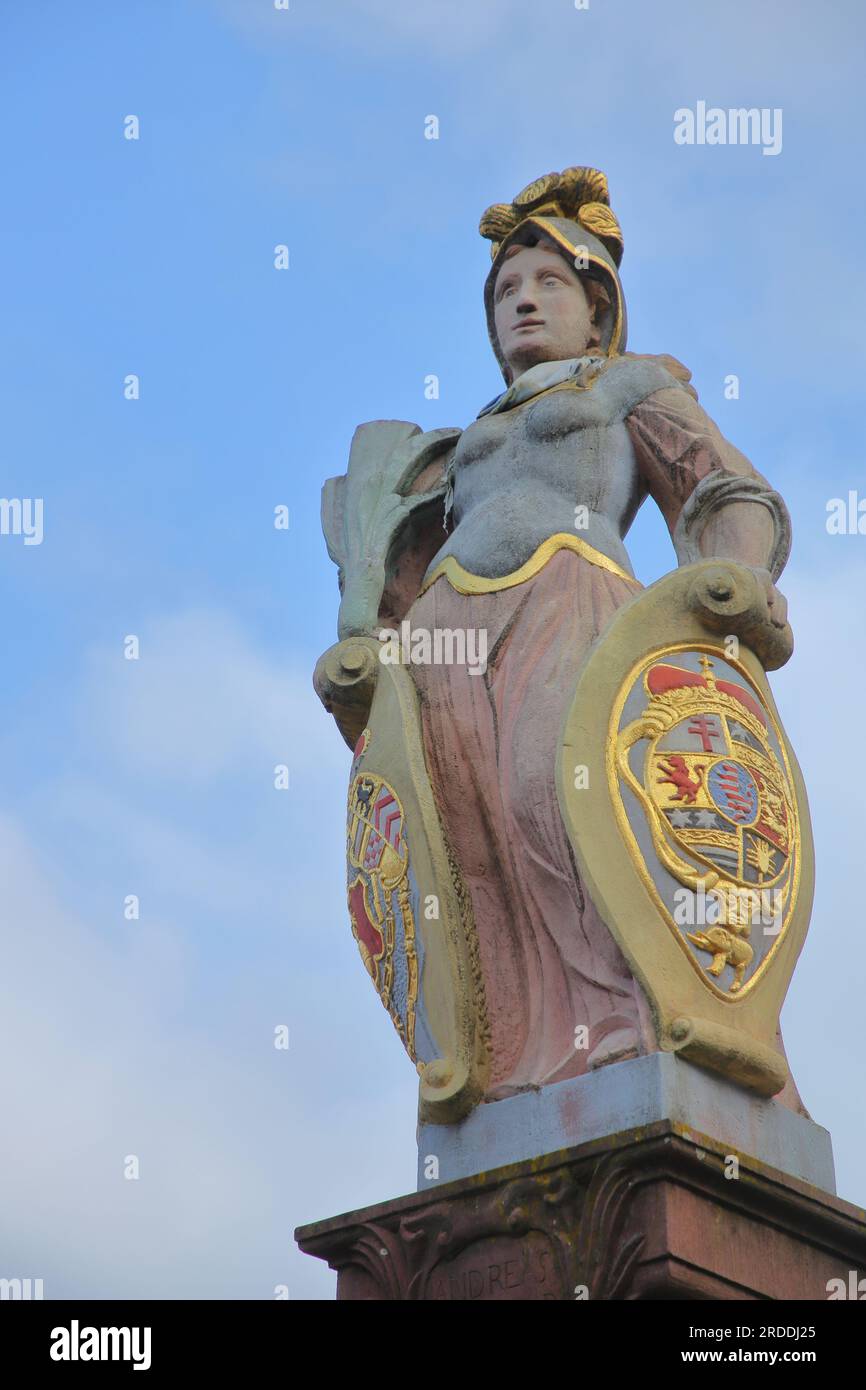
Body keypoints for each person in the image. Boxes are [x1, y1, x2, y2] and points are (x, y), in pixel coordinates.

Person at [400, 167, 805, 1112]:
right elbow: (388, 569)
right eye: (505, 291)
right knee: (470, 843)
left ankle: (632, 1018)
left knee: (564, 801)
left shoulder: (628, 385)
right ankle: (507, 1067)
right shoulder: (456, 442)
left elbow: (722, 488)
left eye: (547, 284)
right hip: (444, 633)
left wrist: (735, 577)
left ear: (597, 309)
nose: (523, 302)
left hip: (568, 601)